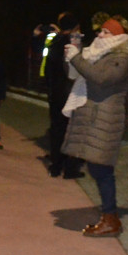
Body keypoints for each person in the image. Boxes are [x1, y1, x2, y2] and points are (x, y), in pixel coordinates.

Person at [61, 17, 128, 237]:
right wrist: (73, 56)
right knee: (98, 168)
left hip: (106, 117)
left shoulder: (123, 57)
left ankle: (110, 218)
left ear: (117, 36)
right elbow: (77, 73)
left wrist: (78, 59)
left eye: (106, 32)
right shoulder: (98, 53)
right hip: (93, 116)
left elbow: (101, 78)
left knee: (102, 169)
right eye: (100, 32)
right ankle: (109, 214)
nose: (99, 35)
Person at [46, 12, 83, 178]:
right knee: (72, 130)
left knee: (57, 128)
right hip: (69, 91)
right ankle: (70, 168)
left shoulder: (54, 41)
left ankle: (56, 165)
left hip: (55, 91)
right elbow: (75, 69)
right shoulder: (73, 42)